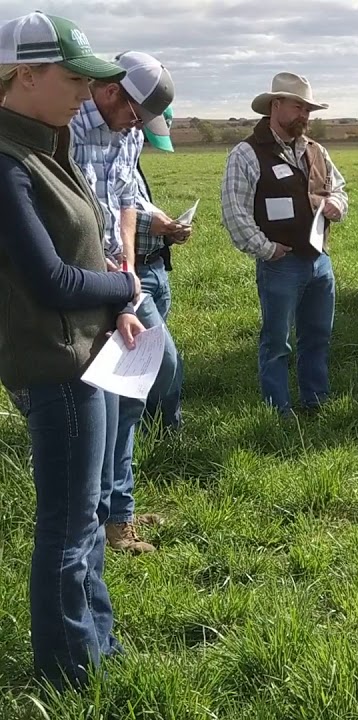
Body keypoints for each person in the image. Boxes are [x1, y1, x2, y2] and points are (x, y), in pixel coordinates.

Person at [0, 11, 143, 689]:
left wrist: (115, 309)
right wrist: (120, 285)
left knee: (84, 519)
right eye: (73, 79)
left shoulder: (42, 145)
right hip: (56, 366)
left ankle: (99, 648)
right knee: (66, 526)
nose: (85, 94)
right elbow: (48, 278)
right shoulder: (8, 162)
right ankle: (68, 673)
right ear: (26, 75)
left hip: (88, 352)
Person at [70, 49, 179, 554]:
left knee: (139, 386)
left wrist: (130, 272)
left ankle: (119, 513)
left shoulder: (128, 130)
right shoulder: (67, 126)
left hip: (121, 280)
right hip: (82, 286)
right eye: (135, 113)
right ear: (111, 91)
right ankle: (99, 525)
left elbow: (125, 203)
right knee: (104, 405)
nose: (137, 125)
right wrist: (110, 287)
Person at [220, 72, 347, 416]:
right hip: (281, 264)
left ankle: (316, 402)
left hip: (320, 261)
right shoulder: (246, 154)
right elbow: (235, 212)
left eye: (308, 109)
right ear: (276, 106)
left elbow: (339, 189)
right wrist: (267, 249)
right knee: (277, 342)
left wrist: (337, 204)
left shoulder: (317, 151)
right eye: (298, 107)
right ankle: (278, 411)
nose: (304, 116)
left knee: (318, 336)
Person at [131, 101, 189, 430]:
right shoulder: (100, 153)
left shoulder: (131, 162)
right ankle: (168, 431)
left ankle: (148, 430)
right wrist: (149, 223)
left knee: (148, 359)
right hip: (133, 275)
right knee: (167, 360)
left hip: (155, 269)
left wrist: (170, 232)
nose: (140, 138)